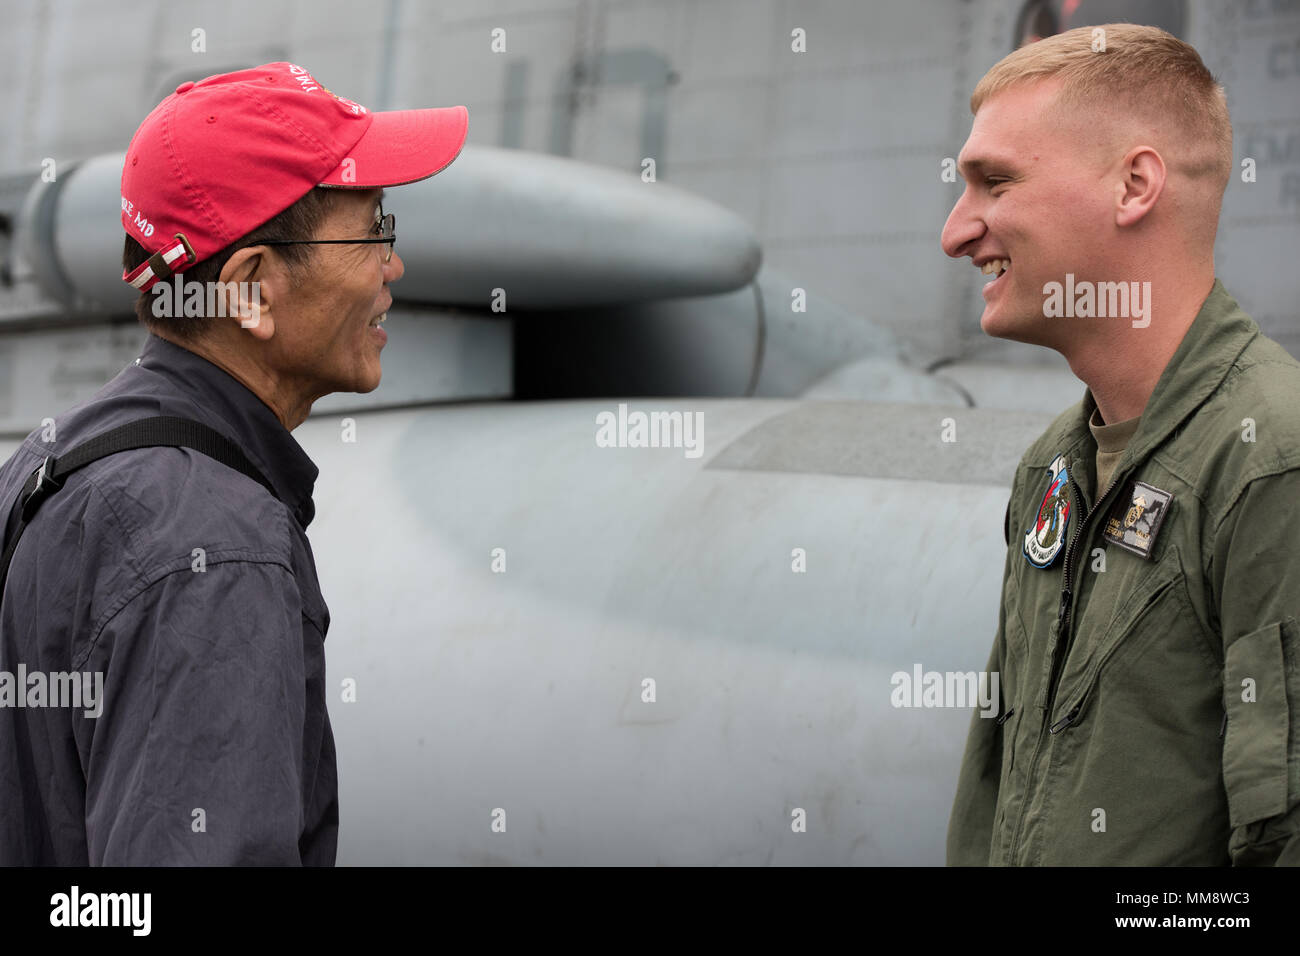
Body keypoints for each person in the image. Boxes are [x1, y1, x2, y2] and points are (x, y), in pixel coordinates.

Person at [0, 62, 467, 864]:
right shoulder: (214, 549)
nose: (393, 267)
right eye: (372, 232)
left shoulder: (47, 461)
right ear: (249, 288)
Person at [941, 24, 1300, 865]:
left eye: (994, 182)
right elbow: (996, 789)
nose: (957, 233)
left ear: (1135, 185)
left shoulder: (1271, 461)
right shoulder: (1053, 470)